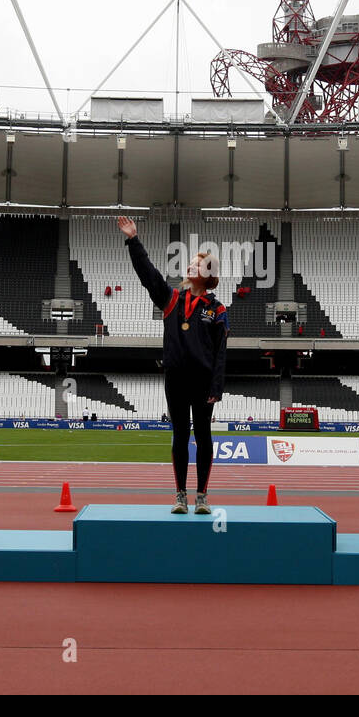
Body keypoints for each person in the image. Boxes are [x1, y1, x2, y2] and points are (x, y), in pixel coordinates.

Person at [117, 215, 227, 514]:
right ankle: (180, 495)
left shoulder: (217, 310)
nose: (191, 266)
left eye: (197, 263)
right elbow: (149, 275)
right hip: (176, 378)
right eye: (191, 263)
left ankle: (201, 495)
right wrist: (133, 240)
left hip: (204, 382)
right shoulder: (171, 300)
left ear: (208, 273)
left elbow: (220, 353)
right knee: (180, 434)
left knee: (203, 436)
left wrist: (217, 386)